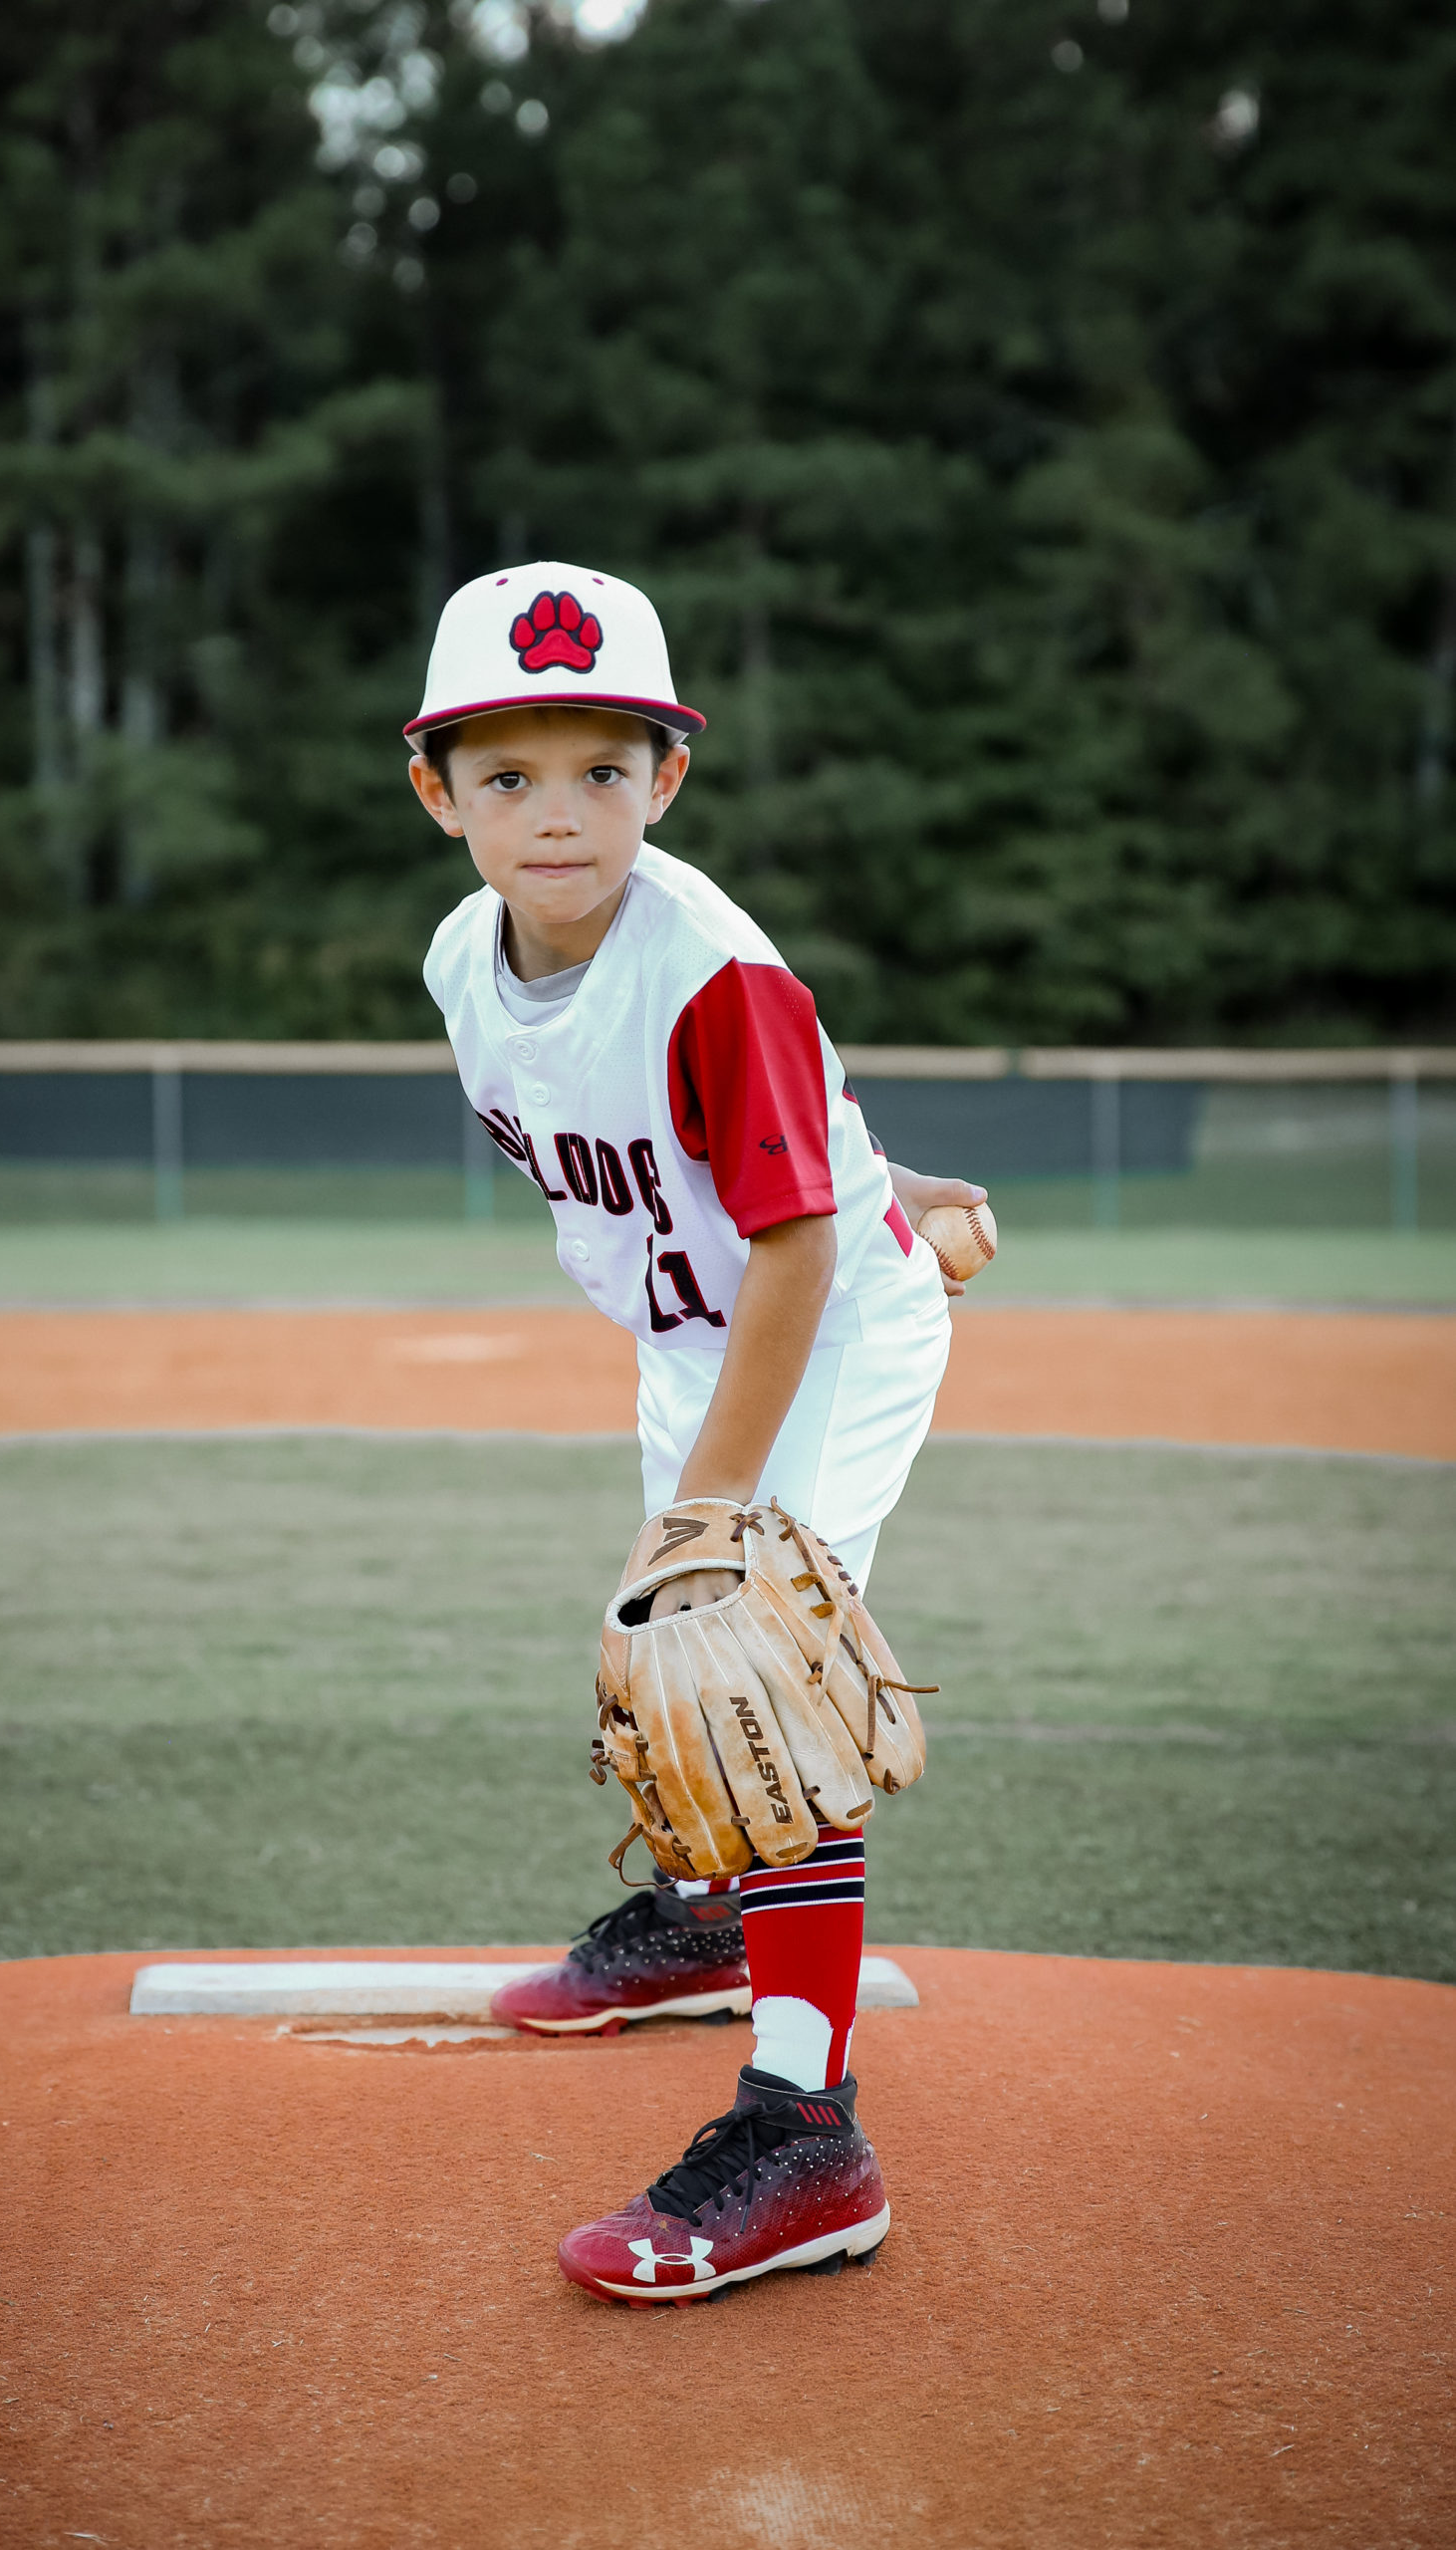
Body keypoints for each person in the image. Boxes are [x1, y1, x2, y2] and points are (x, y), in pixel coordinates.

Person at [411, 563, 985, 2304]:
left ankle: (809, 2136)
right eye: (506, 775)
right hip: (703, 1333)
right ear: (435, 794)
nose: (558, 812)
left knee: (766, 1679)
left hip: (819, 1328)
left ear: (669, 780)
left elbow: (797, 1241)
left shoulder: (707, 966)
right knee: (693, 1679)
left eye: (604, 767)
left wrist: (719, 1506)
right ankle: (710, 1914)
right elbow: (707, 1154)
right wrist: (885, 1161)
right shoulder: (462, 962)